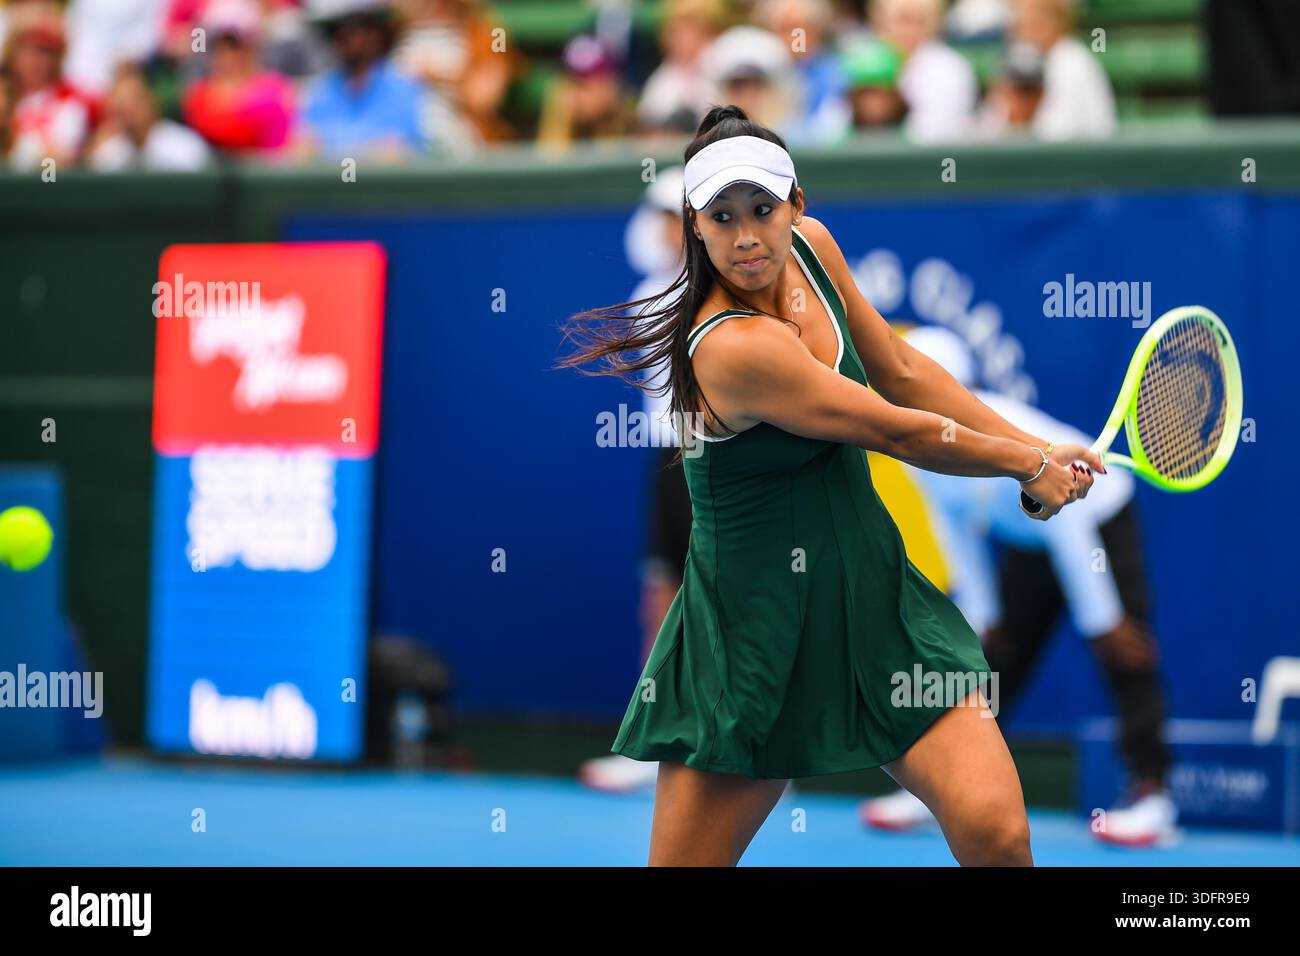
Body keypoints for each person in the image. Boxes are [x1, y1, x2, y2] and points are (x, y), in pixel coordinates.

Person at [561, 105, 1102, 866]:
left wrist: (1033, 445)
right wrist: (1024, 465)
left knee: (999, 835)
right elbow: (894, 427)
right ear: (696, 225)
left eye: (762, 209)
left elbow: (904, 371)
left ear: (797, 207)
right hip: (752, 641)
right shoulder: (732, 348)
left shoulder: (813, 251)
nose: (747, 236)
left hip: (874, 607)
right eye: (722, 216)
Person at [859, 327, 1176, 846]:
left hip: (1095, 518)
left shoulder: (1003, 428)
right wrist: (984, 616)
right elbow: (951, 522)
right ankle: (949, 788)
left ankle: (1151, 793)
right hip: (1030, 537)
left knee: (1125, 648)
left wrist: (1102, 619)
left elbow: (1071, 522)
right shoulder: (913, 446)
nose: (911, 405)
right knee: (993, 659)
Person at [580, 168, 688, 795]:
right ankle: (657, 742)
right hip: (665, 460)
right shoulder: (652, 288)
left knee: (730, 605)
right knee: (662, 600)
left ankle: (760, 750)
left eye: (679, 215)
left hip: (717, 457)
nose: (669, 228)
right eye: (662, 217)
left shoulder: (725, 288)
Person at [299, 0, 426, 159]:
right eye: (335, 29)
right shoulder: (320, 89)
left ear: (377, 33)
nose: (343, 36)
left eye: (354, 27)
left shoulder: (404, 88)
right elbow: (304, 148)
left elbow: (404, 153)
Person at [181, 0, 296, 155]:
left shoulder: (277, 89)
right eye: (220, 45)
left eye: (235, 45)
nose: (228, 55)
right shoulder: (199, 95)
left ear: (253, 47)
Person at [872, 0, 977, 143]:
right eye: (900, 20)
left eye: (914, 21)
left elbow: (936, 132)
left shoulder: (948, 67)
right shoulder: (869, 61)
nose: (905, 30)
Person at [2, 7, 94, 169]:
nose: (35, 60)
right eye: (26, 49)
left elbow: (56, 163)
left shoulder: (69, 102)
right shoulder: (5, 93)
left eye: (45, 52)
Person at [1009, 0, 1115, 140]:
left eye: (1026, 24)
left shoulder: (1070, 61)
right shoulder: (1047, 59)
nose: (1019, 34)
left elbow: (1058, 134)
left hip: (1089, 157)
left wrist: (1023, 121)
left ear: (1050, 24)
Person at [88, 62, 210, 170]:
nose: (128, 112)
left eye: (134, 102)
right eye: (121, 106)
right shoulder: (112, 151)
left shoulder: (184, 146)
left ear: (151, 101)